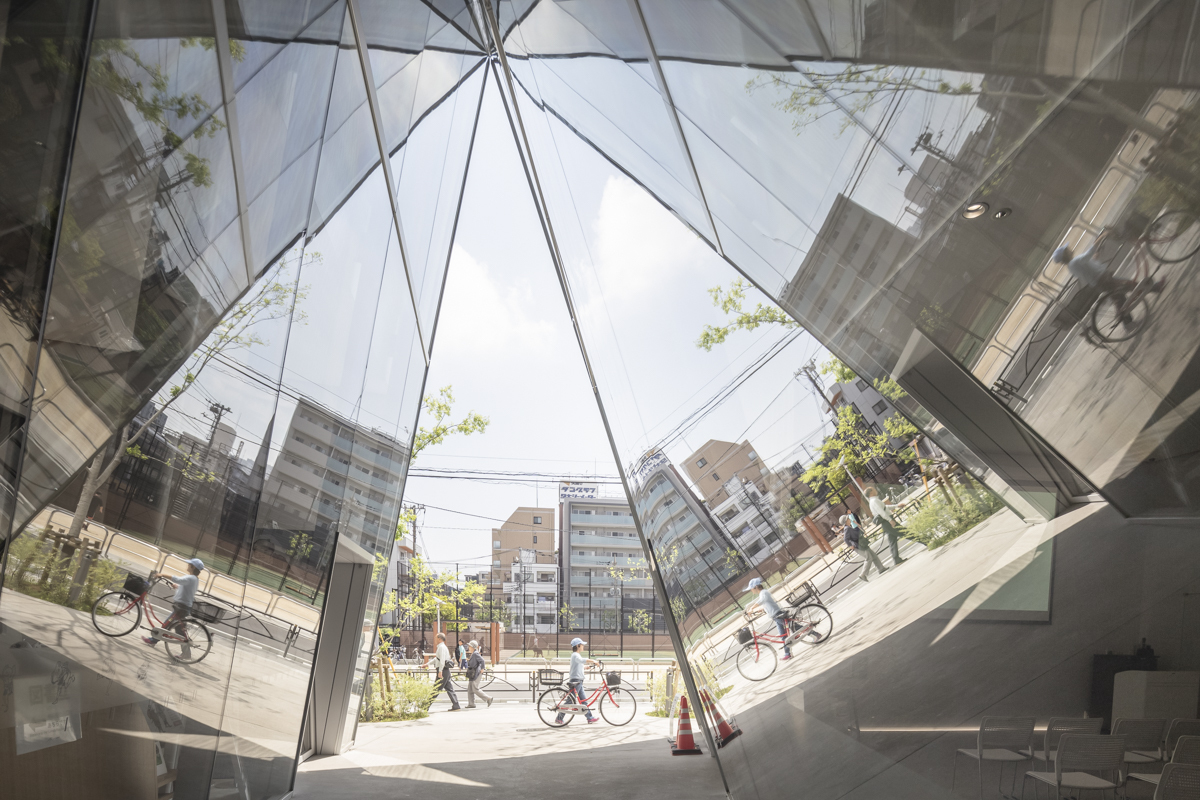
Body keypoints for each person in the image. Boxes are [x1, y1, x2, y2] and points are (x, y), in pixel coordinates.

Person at [1053, 233, 1164, 307]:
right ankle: (1156, 288)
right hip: (1104, 280)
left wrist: (1094, 259)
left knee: (1119, 297)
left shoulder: (1071, 267)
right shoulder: (1074, 262)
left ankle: (1126, 321)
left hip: (1101, 282)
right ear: (1065, 254)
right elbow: (1088, 254)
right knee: (1130, 285)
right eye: (1067, 249)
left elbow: (1087, 266)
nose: (1069, 248)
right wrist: (1101, 237)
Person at [142, 558, 204, 646]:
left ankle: (153, 640)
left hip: (181, 607)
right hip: (183, 606)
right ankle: (155, 640)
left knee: (167, 625)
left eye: (189, 564)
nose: (188, 565)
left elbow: (177, 579)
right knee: (179, 630)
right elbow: (187, 589)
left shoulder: (190, 578)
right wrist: (178, 586)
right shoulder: (195, 579)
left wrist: (162, 574)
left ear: (193, 567)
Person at [744, 577, 791, 661]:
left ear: (756, 587)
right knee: (783, 636)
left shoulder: (763, 592)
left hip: (778, 615)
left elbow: (761, 600)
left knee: (794, 627)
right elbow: (767, 603)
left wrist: (752, 608)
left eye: (751, 588)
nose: (751, 590)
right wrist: (761, 610)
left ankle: (815, 634)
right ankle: (787, 653)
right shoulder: (762, 593)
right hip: (776, 617)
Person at [555, 638, 599, 724]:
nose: (583, 646)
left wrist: (585, 667)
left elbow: (578, 665)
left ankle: (589, 717)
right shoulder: (575, 655)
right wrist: (593, 661)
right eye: (582, 645)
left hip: (579, 681)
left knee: (583, 701)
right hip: (576, 681)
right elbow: (581, 660)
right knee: (570, 700)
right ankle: (559, 718)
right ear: (577, 646)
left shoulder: (576, 655)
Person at [866, 487, 907, 566]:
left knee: (892, 541)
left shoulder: (874, 500)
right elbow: (882, 512)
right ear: (871, 492)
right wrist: (890, 520)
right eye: (874, 489)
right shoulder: (874, 501)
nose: (876, 490)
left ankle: (896, 559)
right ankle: (926, 541)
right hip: (887, 521)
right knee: (905, 532)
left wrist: (897, 505)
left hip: (886, 522)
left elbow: (885, 507)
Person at [840, 513, 887, 582]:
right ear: (846, 521)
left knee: (873, 555)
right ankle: (863, 574)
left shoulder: (849, 527)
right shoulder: (847, 528)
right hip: (858, 546)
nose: (849, 519)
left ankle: (881, 568)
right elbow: (845, 539)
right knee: (868, 558)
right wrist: (850, 545)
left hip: (861, 543)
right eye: (848, 518)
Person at [431, 633, 461, 711]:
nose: (435, 639)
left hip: (443, 670)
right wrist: (426, 664)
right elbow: (437, 659)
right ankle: (456, 705)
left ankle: (425, 706)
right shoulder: (442, 647)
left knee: (436, 689)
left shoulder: (441, 647)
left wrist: (440, 671)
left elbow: (442, 661)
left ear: (439, 639)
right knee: (449, 688)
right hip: (445, 670)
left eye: (436, 638)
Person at [464, 640, 493, 709]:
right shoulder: (473, 653)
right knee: (470, 689)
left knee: (475, 689)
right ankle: (471, 704)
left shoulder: (475, 653)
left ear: (473, 647)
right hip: (472, 673)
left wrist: (482, 668)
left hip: (476, 673)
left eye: (469, 646)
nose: (468, 647)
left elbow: (482, 660)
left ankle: (488, 698)